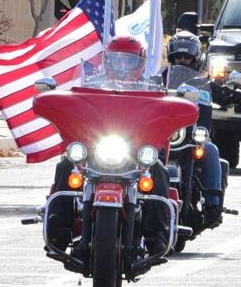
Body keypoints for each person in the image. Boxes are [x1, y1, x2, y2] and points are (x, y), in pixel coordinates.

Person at [45, 36, 172, 257]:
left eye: (128, 61)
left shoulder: (152, 87)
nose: (122, 67)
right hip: (98, 145)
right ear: (106, 60)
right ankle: (59, 232)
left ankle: (156, 237)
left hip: (134, 150)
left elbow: (163, 112)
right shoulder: (90, 83)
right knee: (67, 165)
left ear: (140, 62)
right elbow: (77, 108)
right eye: (116, 61)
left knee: (159, 170)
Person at [163, 30, 227, 227]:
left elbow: (224, 95)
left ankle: (212, 204)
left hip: (194, 136)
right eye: (178, 57)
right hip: (164, 136)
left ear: (196, 58)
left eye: (187, 57)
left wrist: (229, 92)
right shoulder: (157, 78)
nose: (182, 60)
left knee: (211, 150)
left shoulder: (205, 81)